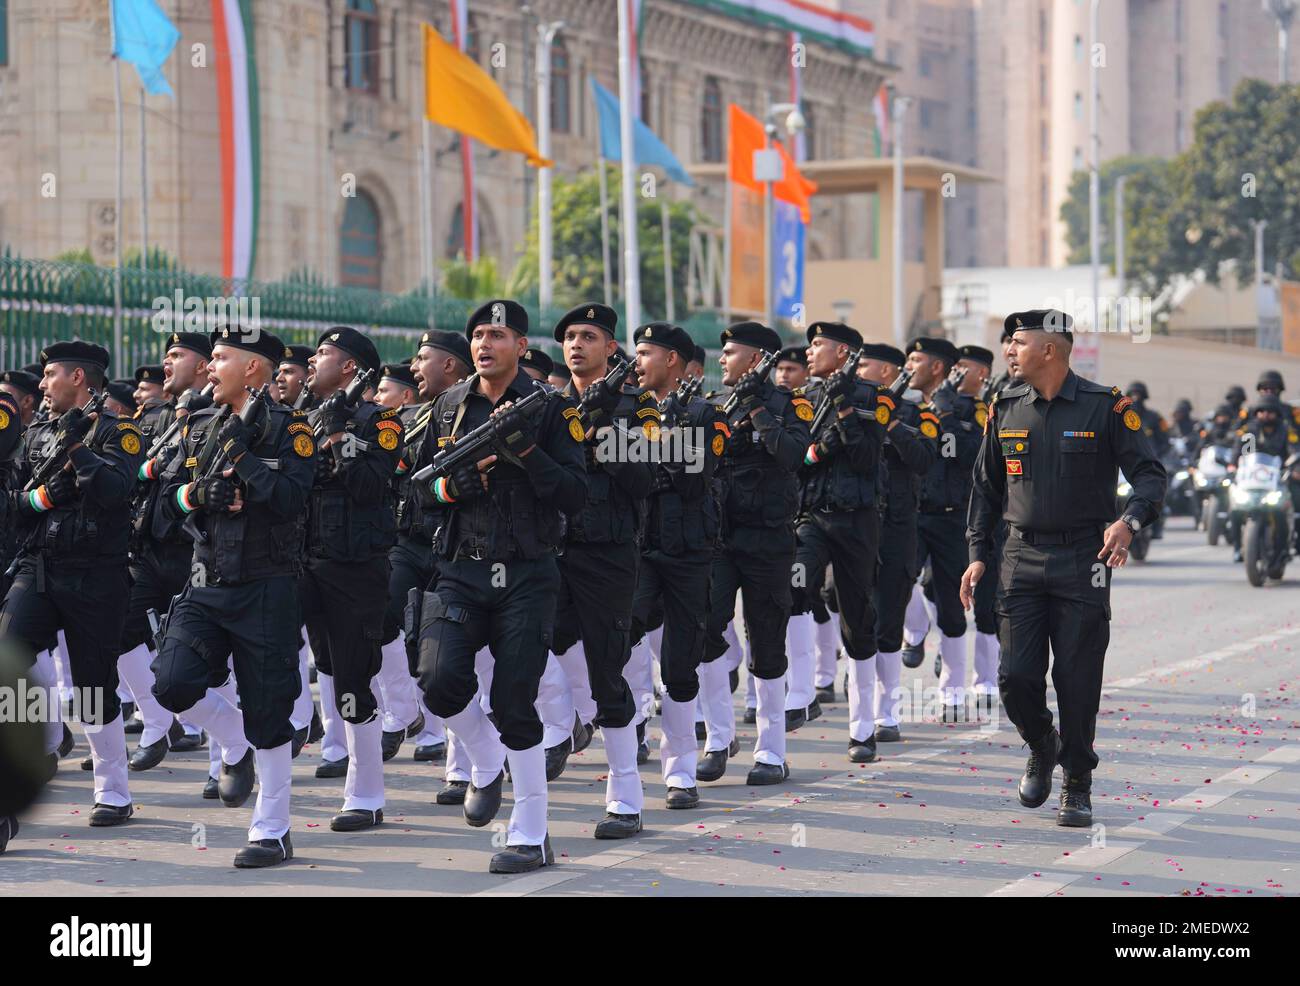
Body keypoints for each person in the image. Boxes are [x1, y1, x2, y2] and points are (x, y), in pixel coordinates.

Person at [963, 309, 1166, 828]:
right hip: (1019, 557)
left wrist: (1129, 522)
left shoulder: (1106, 407)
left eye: (1017, 342)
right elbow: (986, 487)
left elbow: (1149, 475)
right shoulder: (1004, 406)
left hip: (1085, 559)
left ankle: (1077, 781)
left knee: (1078, 679)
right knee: (1015, 677)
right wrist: (978, 553)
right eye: (1007, 342)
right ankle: (1041, 743)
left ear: (1049, 349)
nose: (1008, 350)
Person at [413, 299, 587, 873]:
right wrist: (453, 488)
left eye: (498, 335)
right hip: (461, 567)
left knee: (516, 700)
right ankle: (484, 758)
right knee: (437, 681)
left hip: (528, 571)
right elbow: (417, 493)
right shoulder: (446, 408)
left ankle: (531, 832)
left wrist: (527, 455)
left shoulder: (552, 411)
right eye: (479, 335)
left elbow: (575, 495)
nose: (485, 344)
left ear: (520, 345)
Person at [152, 324, 316, 867]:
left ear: (252, 369)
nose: (209, 367)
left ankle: (272, 829)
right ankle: (232, 741)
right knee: (172, 683)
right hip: (206, 582)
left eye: (220, 358)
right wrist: (198, 492)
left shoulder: (293, 430)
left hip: (266, 585)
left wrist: (242, 463)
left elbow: (293, 500)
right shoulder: (198, 425)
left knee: (270, 710)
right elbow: (160, 505)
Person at [1, 341, 145, 829]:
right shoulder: (33, 433)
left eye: (50, 375)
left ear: (80, 379)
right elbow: (9, 504)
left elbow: (114, 491)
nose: (41, 385)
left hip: (96, 576)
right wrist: (39, 498)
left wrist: (78, 447)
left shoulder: (120, 432)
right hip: (37, 567)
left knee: (91, 688)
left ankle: (112, 790)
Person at [549, 303, 657, 838]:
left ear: (610, 347)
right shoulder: (545, 403)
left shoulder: (637, 406)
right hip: (548, 549)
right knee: (542, 642)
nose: (576, 345)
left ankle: (625, 797)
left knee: (608, 668)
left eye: (588, 336)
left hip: (607, 550)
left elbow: (646, 480)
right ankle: (570, 719)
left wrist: (600, 434)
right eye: (569, 336)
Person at [700, 321, 810, 785]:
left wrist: (759, 410)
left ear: (757, 359)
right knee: (705, 631)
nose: (722, 359)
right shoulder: (714, 406)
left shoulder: (792, 405)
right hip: (721, 539)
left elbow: (792, 455)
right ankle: (718, 739)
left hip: (768, 540)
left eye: (731, 352)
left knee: (767, 640)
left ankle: (771, 751)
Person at [302, 327, 402, 832]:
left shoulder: (382, 422)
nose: (313, 360)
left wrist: (340, 437)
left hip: (355, 568)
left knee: (351, 679)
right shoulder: (299, 419)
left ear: (350, 368)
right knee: (316, 665)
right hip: (302, 562)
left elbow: (369, 487)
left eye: (324, 353)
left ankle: (365, 793)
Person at [629, 322, 724, 809]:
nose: (636, 360)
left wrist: (652, 445)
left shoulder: (704, 413)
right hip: (639, 547)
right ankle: (624, 762)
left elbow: (693, 477)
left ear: (672, 360)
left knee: (682, 664)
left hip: (688, 551)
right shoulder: (627, 410)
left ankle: (681, 772)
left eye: (645, 352)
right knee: (621, 638)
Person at [118, 332, 215, 773]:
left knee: (210, 654)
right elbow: (129, 468)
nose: (166, 362)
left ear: (202, 366)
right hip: (149, 546)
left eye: (177, 355)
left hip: (195, 550)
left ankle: (224, 757)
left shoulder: (219, 414)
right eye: (167, 354)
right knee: (119, 632)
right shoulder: (154, 418)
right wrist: (148, 466)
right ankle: (159, 722)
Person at [790, 322, 887, 762]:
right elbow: (797, 459)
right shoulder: (804, 399)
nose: (810, 353)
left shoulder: (875, 399)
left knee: (857, 619)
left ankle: (862, 728)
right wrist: (819, 449)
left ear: (843, 352)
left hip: (857, 521)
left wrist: (846, 413)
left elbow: (868, 458)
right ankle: (802, 689)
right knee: (794, 587)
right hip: (812, 516)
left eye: (818, 345)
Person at [857, 342, 937, 742]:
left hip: (897, 528)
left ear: (887, 373)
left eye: (864, 365)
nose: (856, 370)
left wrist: (890, 423)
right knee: (854, 615)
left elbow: (925, 458)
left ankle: (884, 714)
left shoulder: (916, 413)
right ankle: (859, 710)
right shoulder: (849, 409)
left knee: (887, 620)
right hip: (856, 525)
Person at [901, 337, 982, 720]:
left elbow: (973, 457)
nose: (908, 367)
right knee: (898, 581)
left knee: (952, 606)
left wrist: (947, 417)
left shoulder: (970, 411)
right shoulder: (904, 407)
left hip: (952, 517)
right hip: (911, 514)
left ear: (936, 367)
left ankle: (951, 690)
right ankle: (915, 627)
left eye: (914, 360)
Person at [276, 345, 317, 410]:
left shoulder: (324, 415)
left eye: (288, 372)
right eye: (279, 372)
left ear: (311, 375)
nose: (278, 378)